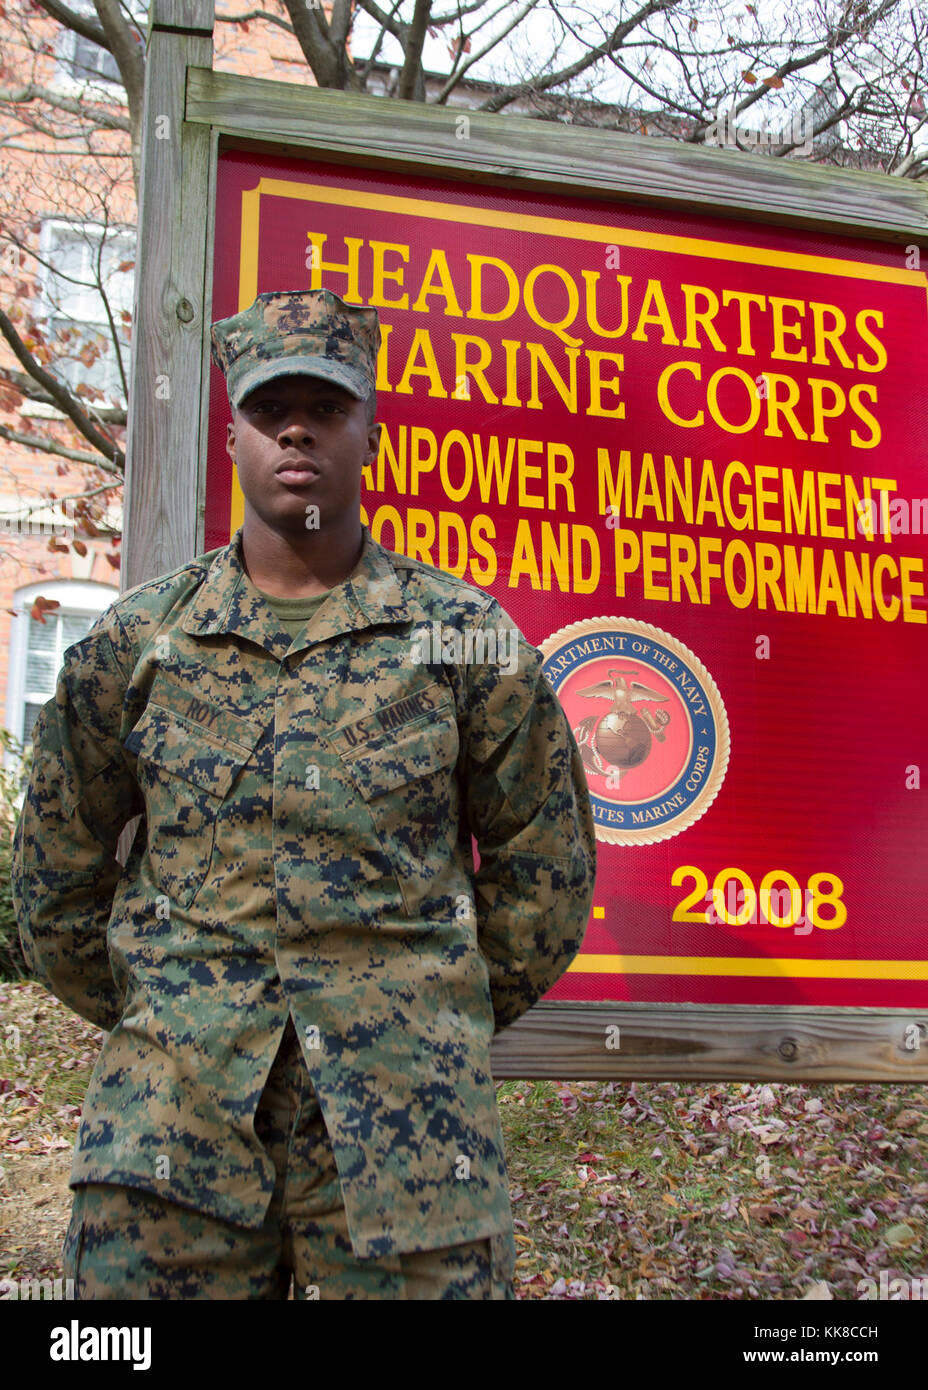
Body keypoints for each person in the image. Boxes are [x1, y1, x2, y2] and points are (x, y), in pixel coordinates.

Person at [12, 287, 597, 1300]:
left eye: (323, 408)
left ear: (368, 429)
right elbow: (54, 874)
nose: (294, 428)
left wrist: (422, 1013)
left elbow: (542, 873)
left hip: (411, 1155)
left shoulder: (465, 641)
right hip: (166, 1150)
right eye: (267, 407)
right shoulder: (139, 643)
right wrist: (166, 1007)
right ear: (231, 434)